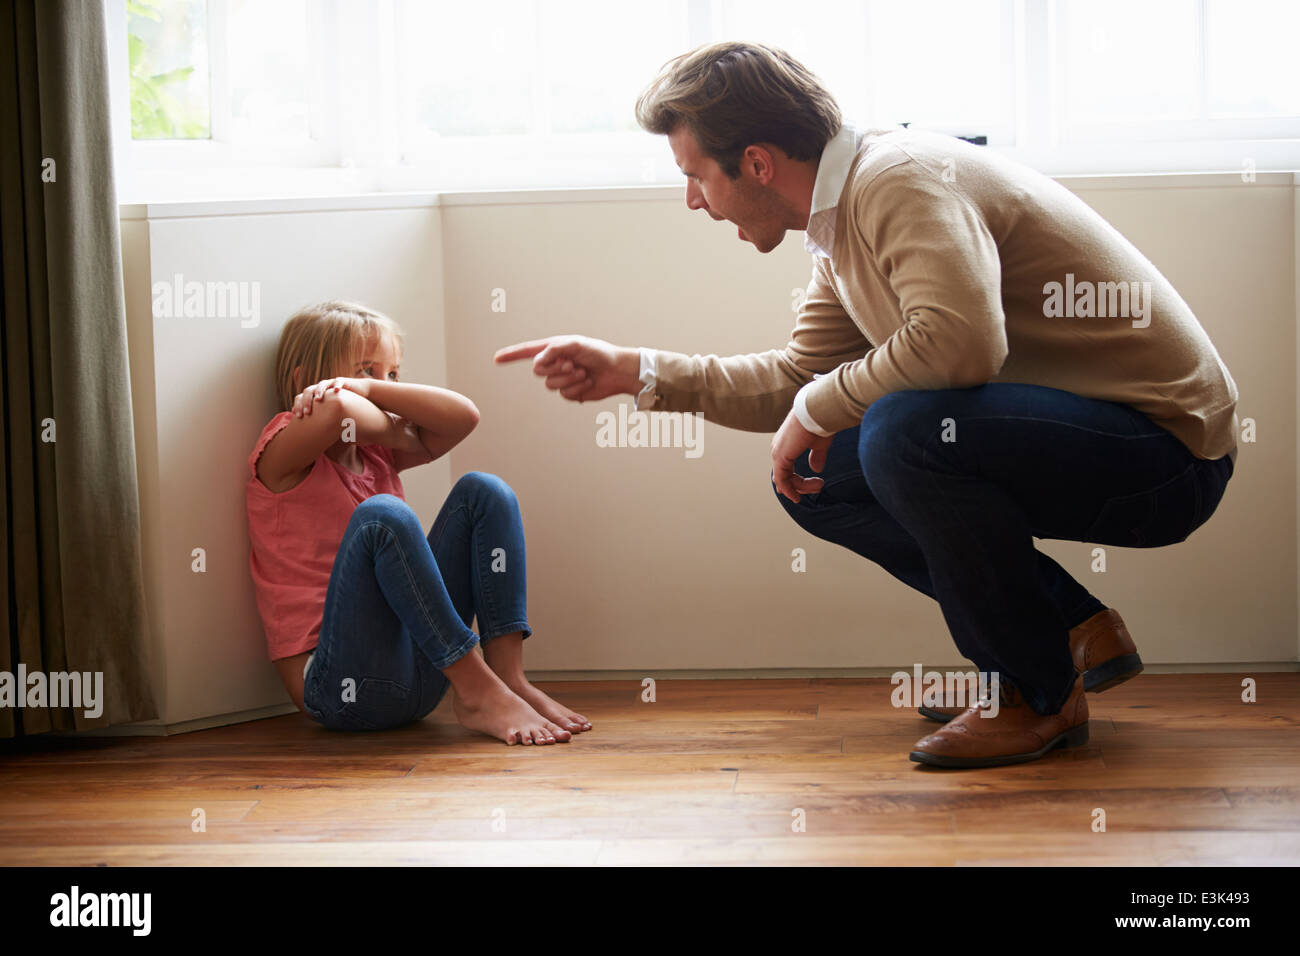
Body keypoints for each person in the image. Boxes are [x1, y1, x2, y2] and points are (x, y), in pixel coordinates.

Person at [493, 42, 1237, 768]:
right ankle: (1064, 635)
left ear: (757, 162)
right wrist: (638, 371)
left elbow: (959, 345)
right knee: (819, 478)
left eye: (695, 176)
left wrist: (821, 404)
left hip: (1167, 455)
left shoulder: (899, 178)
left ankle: (1035, 695)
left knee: (900, 433)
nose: (693, 199)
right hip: (1088, 440)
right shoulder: (837, 218)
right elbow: (798, 378)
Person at [245, 300, 590, 744]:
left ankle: (506, 682)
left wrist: (364, 390)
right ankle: (480, 689)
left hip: (420, 679)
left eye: (392, 375)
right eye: (364, 371)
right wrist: (393, 425)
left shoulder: (375, 454)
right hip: (340, 689)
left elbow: (464, 415)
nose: (380, 386)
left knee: (486, 492)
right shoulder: (281, 453)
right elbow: (337, 413)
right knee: (383, 517)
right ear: (302, 381)